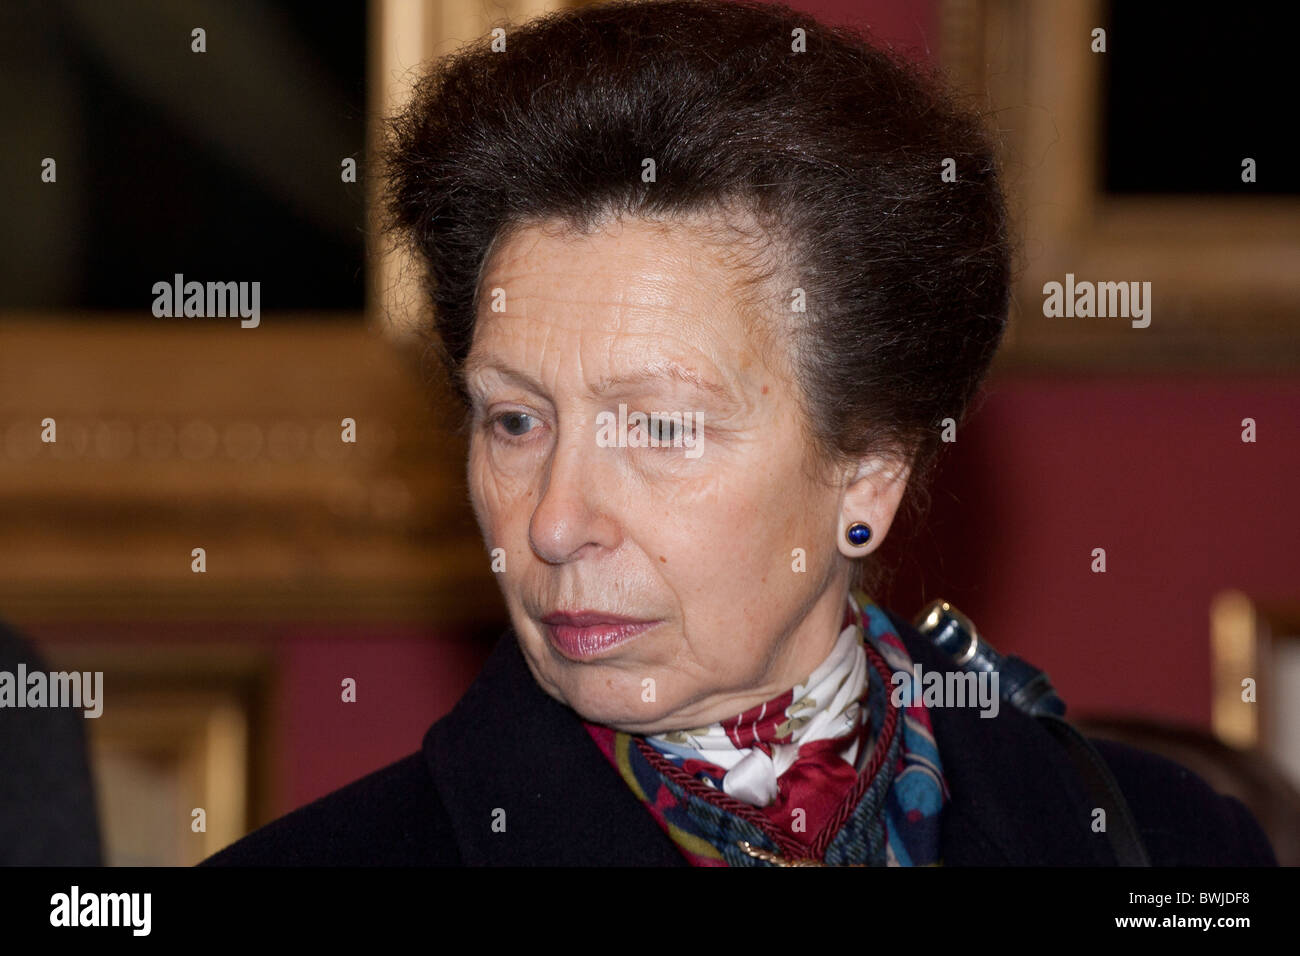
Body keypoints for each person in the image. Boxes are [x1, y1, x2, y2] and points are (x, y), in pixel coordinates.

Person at [202, 0, 1275, 867]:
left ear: (869, 467)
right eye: (517, 419)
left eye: (660, 425)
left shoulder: (1166, 850)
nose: (556, 520)